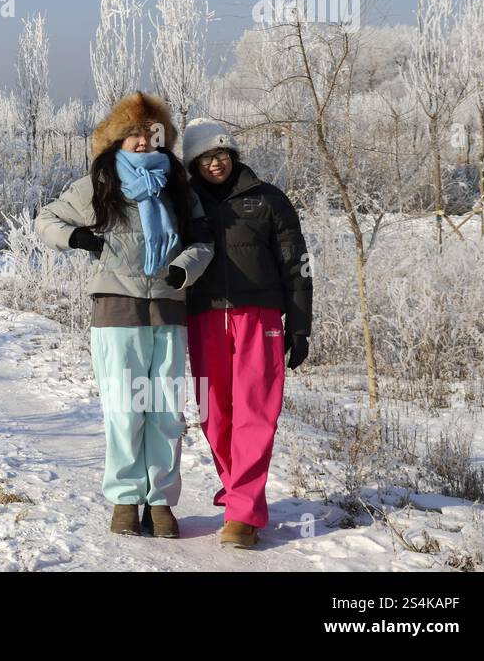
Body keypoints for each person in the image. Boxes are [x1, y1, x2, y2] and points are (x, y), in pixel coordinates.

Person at [37, 92, 214, 538]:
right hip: (117, 306)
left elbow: (203, 242)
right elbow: (46, 220)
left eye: (149, 132)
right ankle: (125, 498)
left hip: (168, 308)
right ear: (117, 140)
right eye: (132, 133)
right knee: (124, 409)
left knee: (165, 411)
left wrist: (183, 268)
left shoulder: (178, 187)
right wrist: (77, 238)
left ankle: (159, 502)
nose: (141, 140)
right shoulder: (99, 184)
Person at [181, 118, 313, 549]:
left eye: (220, 154)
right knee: (213, 413)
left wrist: (299, 326)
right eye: (204, 158)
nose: (214, 163)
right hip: (204, 319)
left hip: (260, 318)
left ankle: (244, 512)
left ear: (233, 154)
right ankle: (236, 485)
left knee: (256, 412)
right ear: (193, 165)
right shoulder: (185, 204)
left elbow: (297, 264)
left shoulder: (269, 199)